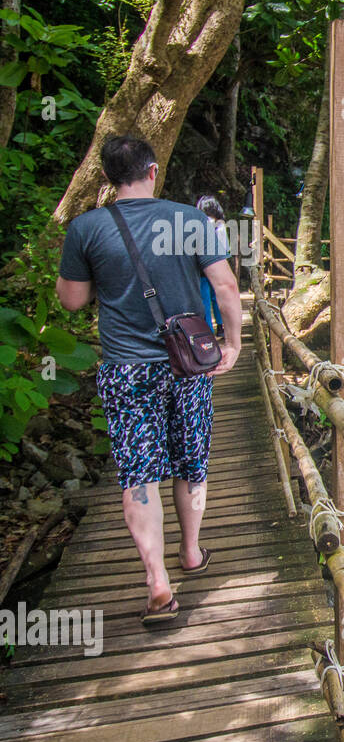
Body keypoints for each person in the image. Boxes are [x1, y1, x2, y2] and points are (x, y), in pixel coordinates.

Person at [56, 136, 241, 624]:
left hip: (126, 368)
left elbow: (72, 301)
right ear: (153, 171)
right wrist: (234, 345)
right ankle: (191, 552)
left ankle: (157, 581)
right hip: (188, 365)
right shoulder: (189, 220)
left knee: (139, 473)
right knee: (191, 462)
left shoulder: (86, 228)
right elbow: (225, 286)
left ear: (106, 178)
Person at [194, 195, 228, 338]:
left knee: (204, 299)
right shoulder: (220, 225)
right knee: (217, 297)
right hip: (218, 264)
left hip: (201, 267)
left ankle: (208, 330)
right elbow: (225, 247)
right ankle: (221, 326)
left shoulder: (197, 223)